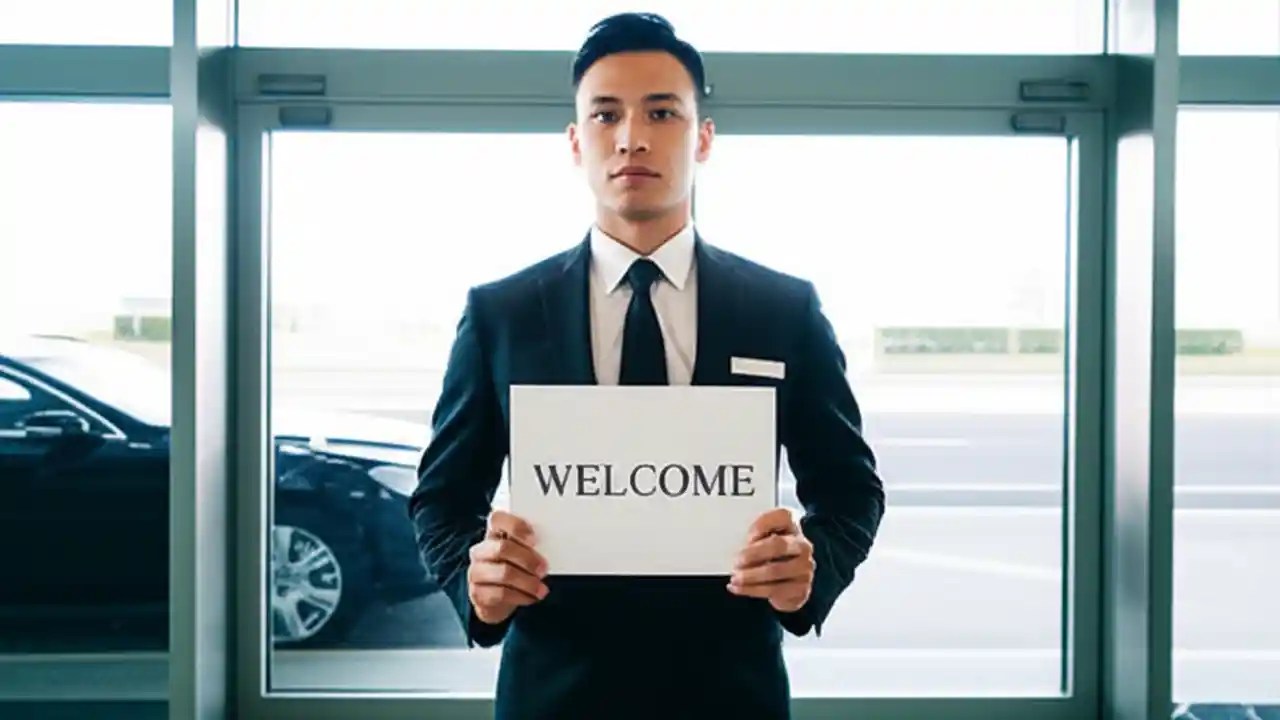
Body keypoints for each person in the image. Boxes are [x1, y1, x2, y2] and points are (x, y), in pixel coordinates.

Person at [408, 12, 885, 720]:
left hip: (731, 693)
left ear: (703, 137)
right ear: (576, 142)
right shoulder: (500, 314)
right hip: (553, 693)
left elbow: (850, 491)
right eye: (605, 115)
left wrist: (807, 571)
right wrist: (470, 578)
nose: (631, 136)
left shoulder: (783, 309)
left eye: (661, 112)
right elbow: (442, 501)